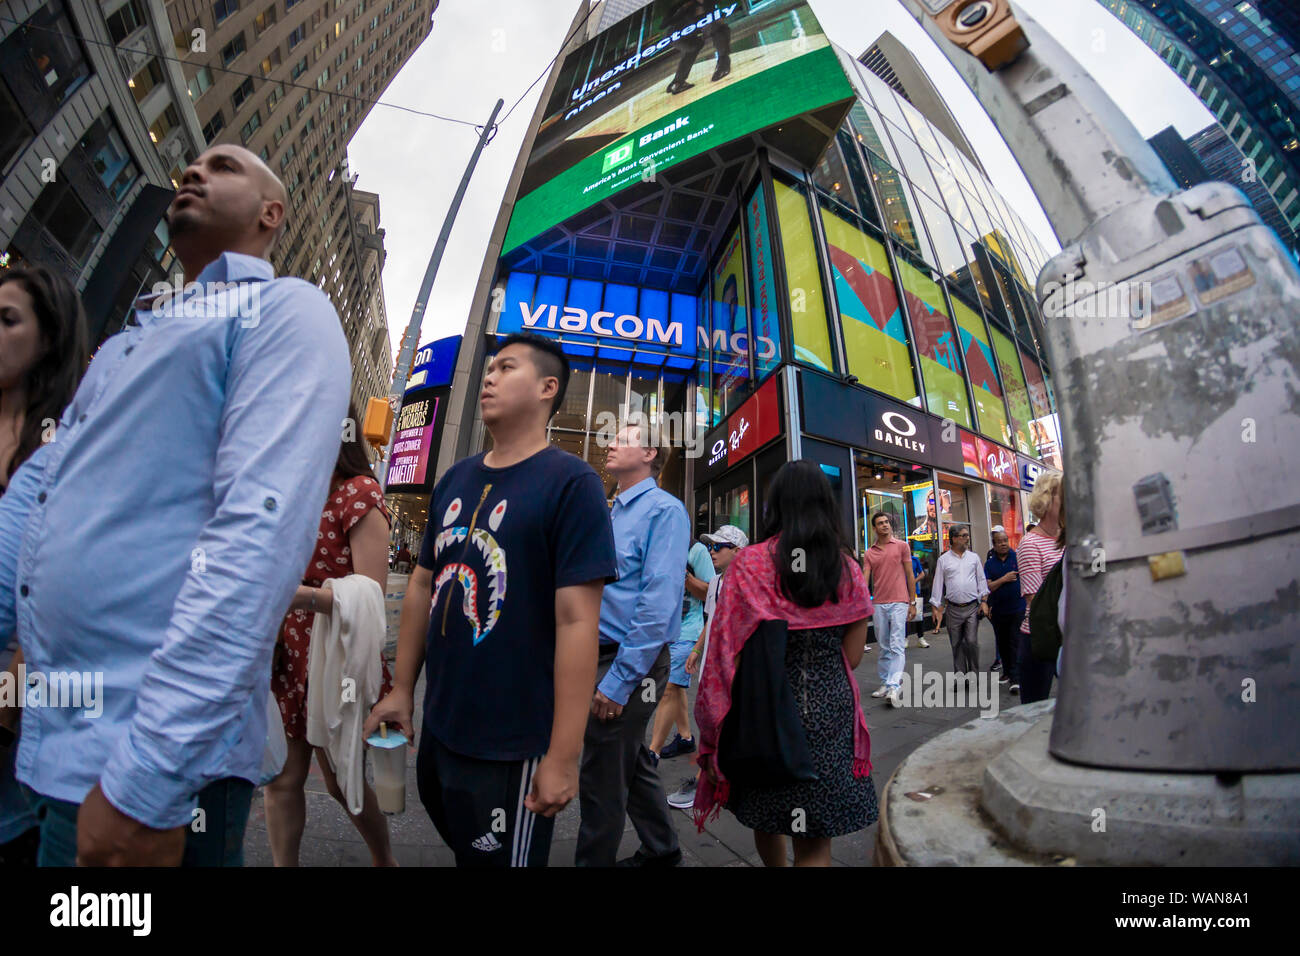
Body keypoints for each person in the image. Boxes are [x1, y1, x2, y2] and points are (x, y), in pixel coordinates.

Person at [0, 145, 351, 866]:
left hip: (141, 764)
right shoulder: (133, 340)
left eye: (223, 167)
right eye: (190, 164)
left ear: (270, 213)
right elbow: (39, 499)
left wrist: (150, 778)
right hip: (51, 740)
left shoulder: (286, 311)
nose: (193, 171)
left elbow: (255, 534)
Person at [365, 333, 616, 867]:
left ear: (548, 388)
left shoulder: (572, 485)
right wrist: (402, 689)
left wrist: (563, 757)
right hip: (442, 726)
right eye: (489, 368)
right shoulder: (455, 478)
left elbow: (577, 623)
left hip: (512, 744)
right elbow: (420, 584)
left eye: (506, 367)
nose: (489, 377)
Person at [694, 461, 876, 867]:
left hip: (765, 714)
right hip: (830, 713)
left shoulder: (750, 564)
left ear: (774, 505)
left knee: (770, 817)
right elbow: (853, 656)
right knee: (815, 841)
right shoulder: (846, 567)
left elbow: (726, 655)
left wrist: (711, 729)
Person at [263, 403, 396, 866]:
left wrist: (300, 597)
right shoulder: (293, 491)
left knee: (342, 781)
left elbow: (371, 596)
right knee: (281, 778)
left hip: (336, 654)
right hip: (287, 654)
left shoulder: (359, 492)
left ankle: (385, 860)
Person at [0, 266, 89, 867]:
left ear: (49, 340)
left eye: (7, 320)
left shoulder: (64, 457)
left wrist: (11, 689)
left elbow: (61, 589)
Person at [577, 423, 689, 868]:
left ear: (649, 452)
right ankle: (663, 850)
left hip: (629, 660)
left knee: (602, 773)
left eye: (622, 439)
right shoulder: (613, 512)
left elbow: (658, 606)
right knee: (628, 760)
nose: (610, 445)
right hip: (598, 652)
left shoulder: (664, 510)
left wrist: (620, 680)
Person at [666, 524, 747, 811]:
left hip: (732, 668)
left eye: (718, 547)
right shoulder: (716, 583)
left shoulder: (748, 584)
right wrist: (698, 649)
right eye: (710, 546)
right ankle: (719, 778)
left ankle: (706, 781)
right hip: (712, 665)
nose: (711, 552)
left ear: (737, 551)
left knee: (720, 722)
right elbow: (711, 617)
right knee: (715, 722)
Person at [649, 540, 714, 762]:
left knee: (668, 688)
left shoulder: (697, 551)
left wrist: (683, 574)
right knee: (675, 688)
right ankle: (685, 738)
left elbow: (709, 594)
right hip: (663, 631)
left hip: (687, 631)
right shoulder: (657, 547)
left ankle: (652, 752)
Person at [1017, 474, 1066, 704]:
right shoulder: (1030, 544)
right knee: (1034, 709)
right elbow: (1035, 602)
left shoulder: (1073, 539)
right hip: (1039, 638)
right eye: (1063, 496)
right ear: (1047, 500)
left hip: (1070, 635)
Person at [862, 512, 916, 708]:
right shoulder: (869, 553)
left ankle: (894, 684)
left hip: (900, 601)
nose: (885, 525)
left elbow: (910, 574)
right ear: (874, 528)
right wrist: (862, 601)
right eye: (880, 523)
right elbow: (864, 578)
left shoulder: (902, 546)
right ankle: (886, 682)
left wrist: (912, 602)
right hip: (879, 603)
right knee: (883, 644)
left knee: (896, 643)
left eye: (886, 522)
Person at [931, 525, 990, 674]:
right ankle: (960, 675)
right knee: (956, 644)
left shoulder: (973, 557)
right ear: (954, 539)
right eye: (963, 536)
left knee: (971, 641)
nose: (967, 538)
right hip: (953, 609)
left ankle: (974, 673)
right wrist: (936, 607)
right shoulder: (943, 560)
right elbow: (938, 584)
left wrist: (983, 601)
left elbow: (981, 580)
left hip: (971, 608)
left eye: (967, 535)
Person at [984, 529, 1025, 694]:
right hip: (999, 610)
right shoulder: (989, 564)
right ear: (993, 545)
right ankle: (1007, 672)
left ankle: (1016, 678)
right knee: (1002, 643)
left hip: (1018, 608)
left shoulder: (1017, 558)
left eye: (1005, 540)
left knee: (1015, 641)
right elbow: (989, 586)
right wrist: (1004, 579)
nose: (1003, 544)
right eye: (999, 541)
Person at [665, 0, 732, 95]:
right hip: (680, 34)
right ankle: (723, 65)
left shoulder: (700, 5)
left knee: (695, 45)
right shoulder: (686, 6)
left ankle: (678, 82)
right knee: (720, 29)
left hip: (681, 35)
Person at [908, 551, 931, 649]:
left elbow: (922, 574)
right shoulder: (898, 560)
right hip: (902, 591)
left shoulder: (914, 560)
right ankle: (905, 638)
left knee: (918, 615)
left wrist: (914, 581)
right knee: (903, 615)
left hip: (915, 591)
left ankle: (921, 638)